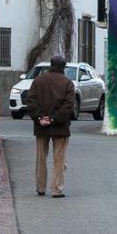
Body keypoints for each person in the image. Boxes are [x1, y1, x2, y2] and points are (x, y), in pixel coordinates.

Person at [26, 55, 76, 198]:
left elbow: (30, 101)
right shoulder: (68, 83)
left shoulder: (38, 81)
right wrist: (53, 119)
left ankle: (40, 187)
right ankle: (56, 189)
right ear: (63, 67)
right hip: (60, 128)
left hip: (41, 127)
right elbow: (68, 106)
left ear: (50, 65)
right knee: (59, 159)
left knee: (41, 158)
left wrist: (40, 118)